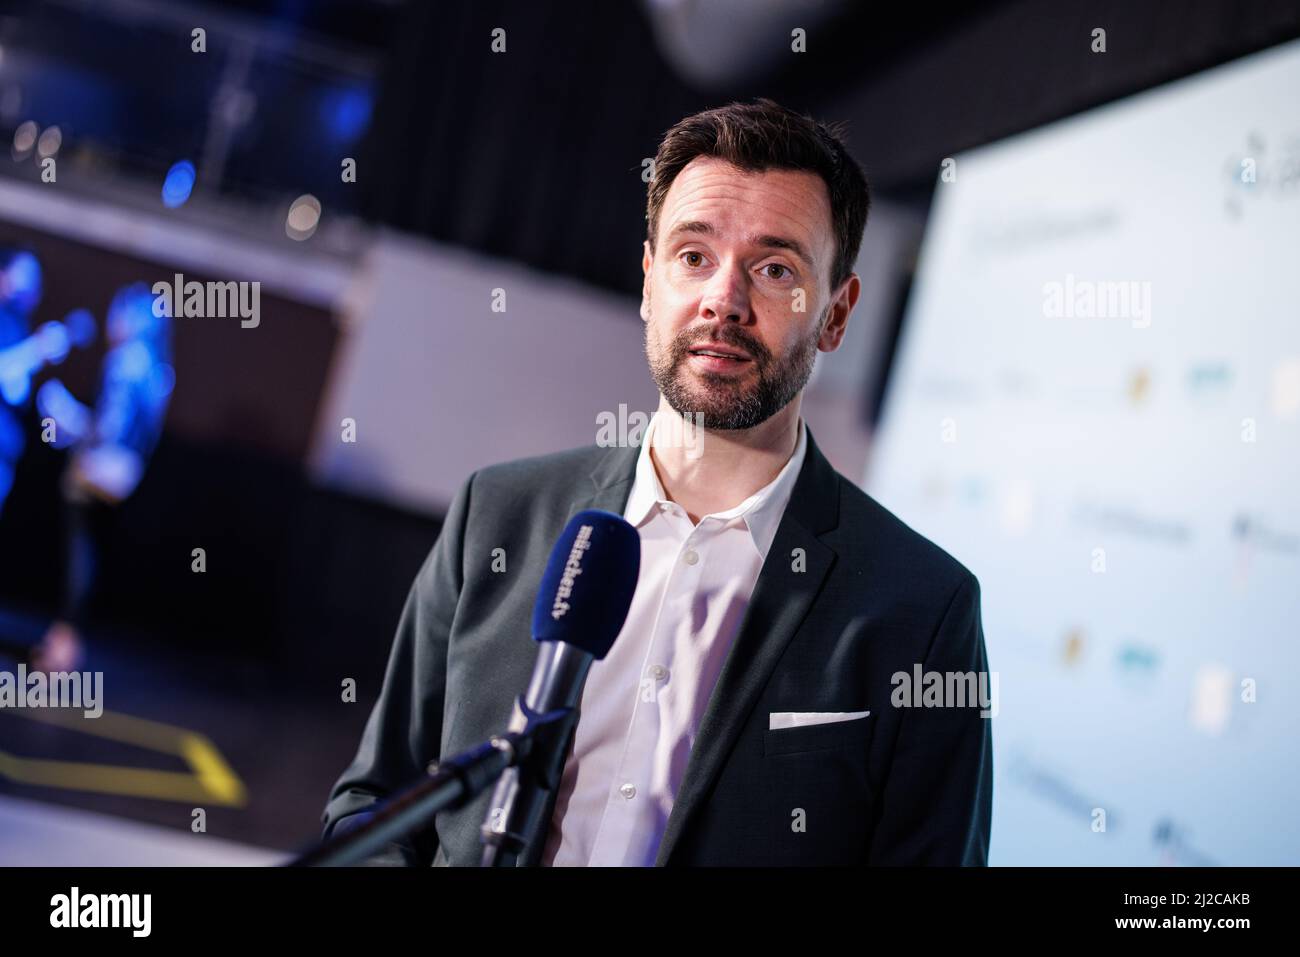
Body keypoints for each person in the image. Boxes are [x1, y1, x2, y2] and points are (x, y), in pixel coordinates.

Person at [322, 98, 992, 866]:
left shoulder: (922, 610)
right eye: (693, 256)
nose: (723, 300)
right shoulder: (496, 517)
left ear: (836, 314)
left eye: (775, 269)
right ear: (649, 281)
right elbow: (374, 802)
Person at [27, 282, 175, 674]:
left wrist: (66, 417)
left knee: (79, 553)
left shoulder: (125, 362)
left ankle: (62, 645)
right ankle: (67, 640)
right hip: (128, 473)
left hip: (99, 468)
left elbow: (108, 428)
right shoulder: (159, 369)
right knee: (90, 554)